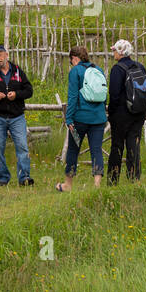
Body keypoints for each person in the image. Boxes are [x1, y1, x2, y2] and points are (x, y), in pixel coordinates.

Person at [56, 46, 107, 192]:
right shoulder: (98, 70)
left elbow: (72, 97)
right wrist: (102, 112)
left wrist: (69, 118)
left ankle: (68, 185)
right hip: (98, 118)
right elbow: (103, 94)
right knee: (96, 149)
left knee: (73, 149)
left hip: (80, 118)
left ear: (74, 58)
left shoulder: (75, 71)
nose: (71, 63)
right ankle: (97, 185)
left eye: (70, 61)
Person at [0, 45, 35, 187]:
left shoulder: (18, 72)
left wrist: (16, 95)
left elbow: (29, 91)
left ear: (6, 55)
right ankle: (2, 178)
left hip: (17, 117)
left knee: (22, 146)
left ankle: (24, 177)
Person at [106, 39, 146, 184]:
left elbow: (113, 95)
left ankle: (113, 181)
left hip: (120, 115)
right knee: (134, 147)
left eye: (114, 50)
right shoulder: (140, 67)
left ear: (120, 52)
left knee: (117, 147)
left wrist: (111, 115)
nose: (113, 53)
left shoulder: (117, 69)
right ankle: (134, 179)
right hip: (138, 114)